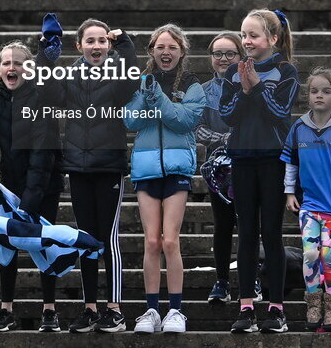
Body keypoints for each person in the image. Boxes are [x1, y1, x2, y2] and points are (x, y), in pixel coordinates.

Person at [0, 34, 65, 332]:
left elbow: (42, 155)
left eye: (19, 63)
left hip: (44, 185)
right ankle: (6, 309)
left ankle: (49, 310)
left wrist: (30, 202)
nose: (12, 68)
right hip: (10, 185)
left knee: (43, 243)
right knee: (6, 245)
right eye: (7, 63)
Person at [54, 18, 140, 333]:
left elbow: (131, 82)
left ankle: (114, 310)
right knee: (85, 239)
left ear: (108, 45)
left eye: (102, 40)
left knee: (109, 238)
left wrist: (125, 42)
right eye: (90, 41)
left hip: (109, 167)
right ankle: (89, 308)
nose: (96, 46)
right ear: (79, 45)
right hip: (78, 167)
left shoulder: (118, 71)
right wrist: (45, 54)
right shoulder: (68, 76)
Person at [221, 9, 298, 334]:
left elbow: (280, 113)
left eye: (253, 35)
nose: (247, 41)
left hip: (272, 161)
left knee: (272, 233)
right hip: (242, 160)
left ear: (273, 38)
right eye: (243, 35)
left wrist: (258, 87)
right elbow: (227, 115)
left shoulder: (286, 71)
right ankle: (246, 307)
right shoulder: (233, 72)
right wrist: (244, 90)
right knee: (247, 234)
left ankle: (276, 309)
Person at [125, 24, 205, 334]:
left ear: (182, 51)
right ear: (152, 51)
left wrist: (157, 97)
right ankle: (151, 311)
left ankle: (175, 310)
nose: (166, 52)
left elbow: (183, 120)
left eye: (172, 47)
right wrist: (146, 95)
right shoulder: (141, 81)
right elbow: (130, 120)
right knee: (152, 241)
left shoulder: (192, 84)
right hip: (146, 169)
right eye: (160, 47)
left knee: (170, 241)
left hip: (176, 169)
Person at [282, 68, 331, 332]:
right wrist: (289, 193)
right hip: (308, 206)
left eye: (326, 91)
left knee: (329, 255)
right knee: (310, 254)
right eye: (314, 91)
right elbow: (291, 164)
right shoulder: (298, 128)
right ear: (308, 96)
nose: (319, 95)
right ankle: (313, 304)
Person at [196, 32, 246, 305]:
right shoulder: (202, 91)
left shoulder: (249, 85)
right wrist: (223, 139)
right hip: (217, 169)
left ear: (240, 56)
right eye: (218, 54)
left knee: (249, 224)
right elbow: (197, 127)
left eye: (230, 54)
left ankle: (253, 278)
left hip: (248, 164)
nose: (223, 59)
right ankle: (222, 281)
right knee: (222, 224)